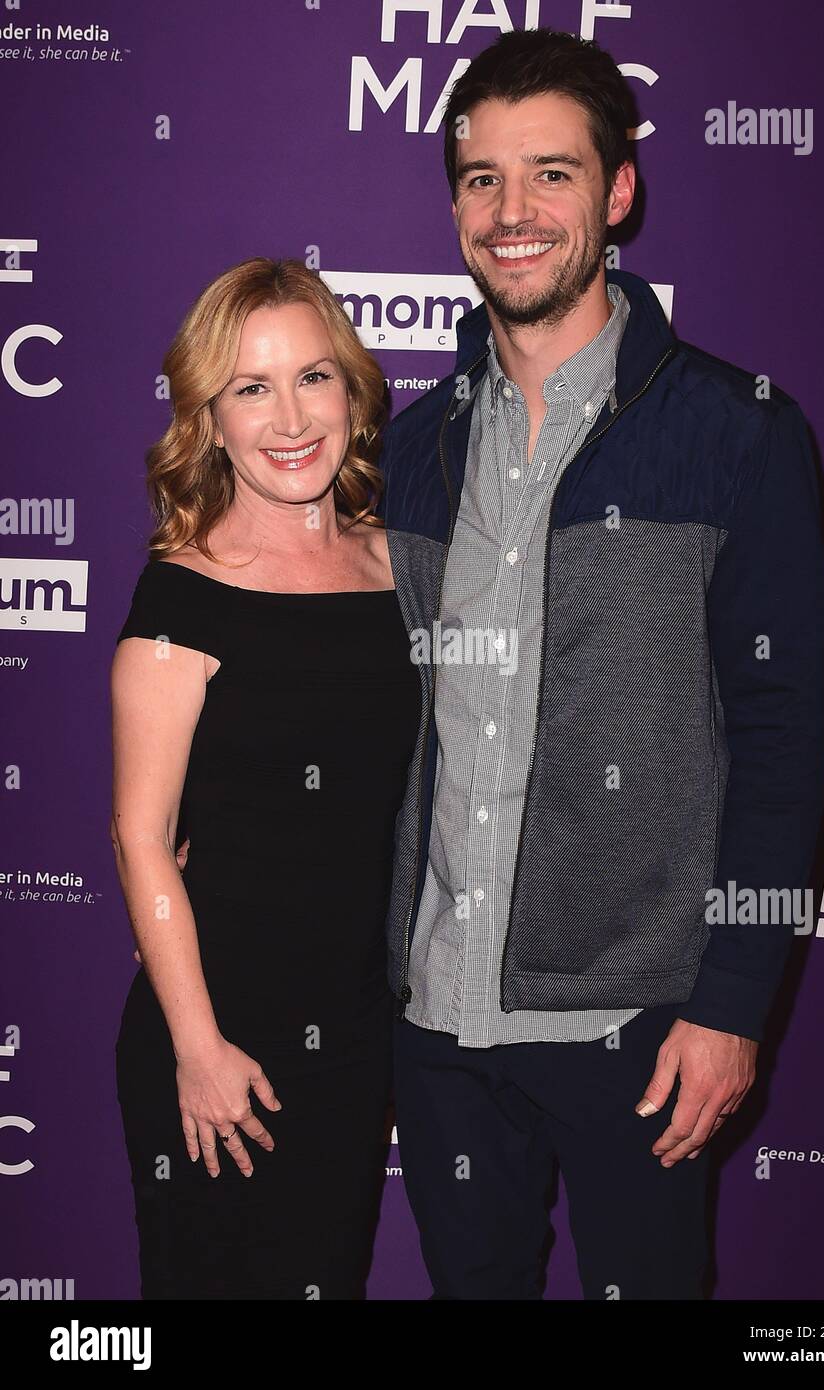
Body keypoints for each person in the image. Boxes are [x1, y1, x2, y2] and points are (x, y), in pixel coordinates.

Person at [379, 28, 824, 1299]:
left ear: (619, 191)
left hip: (636, 1025)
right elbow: (368, 718)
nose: (511, 213)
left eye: (551, 175)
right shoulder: (412, 450)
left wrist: (733, 1001)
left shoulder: (735, 435)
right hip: (436, 1021)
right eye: (481, 179)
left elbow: (786, 735)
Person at [110, 257, 421, 1299]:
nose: (290, 417)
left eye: (312, 377)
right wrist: (198, 1048)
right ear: (211, 416)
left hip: (353, 1033)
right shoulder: (182, 594)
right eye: (251, 387)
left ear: (353, 391)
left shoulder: (401, 571)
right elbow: (142, 836)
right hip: (215, 1029)